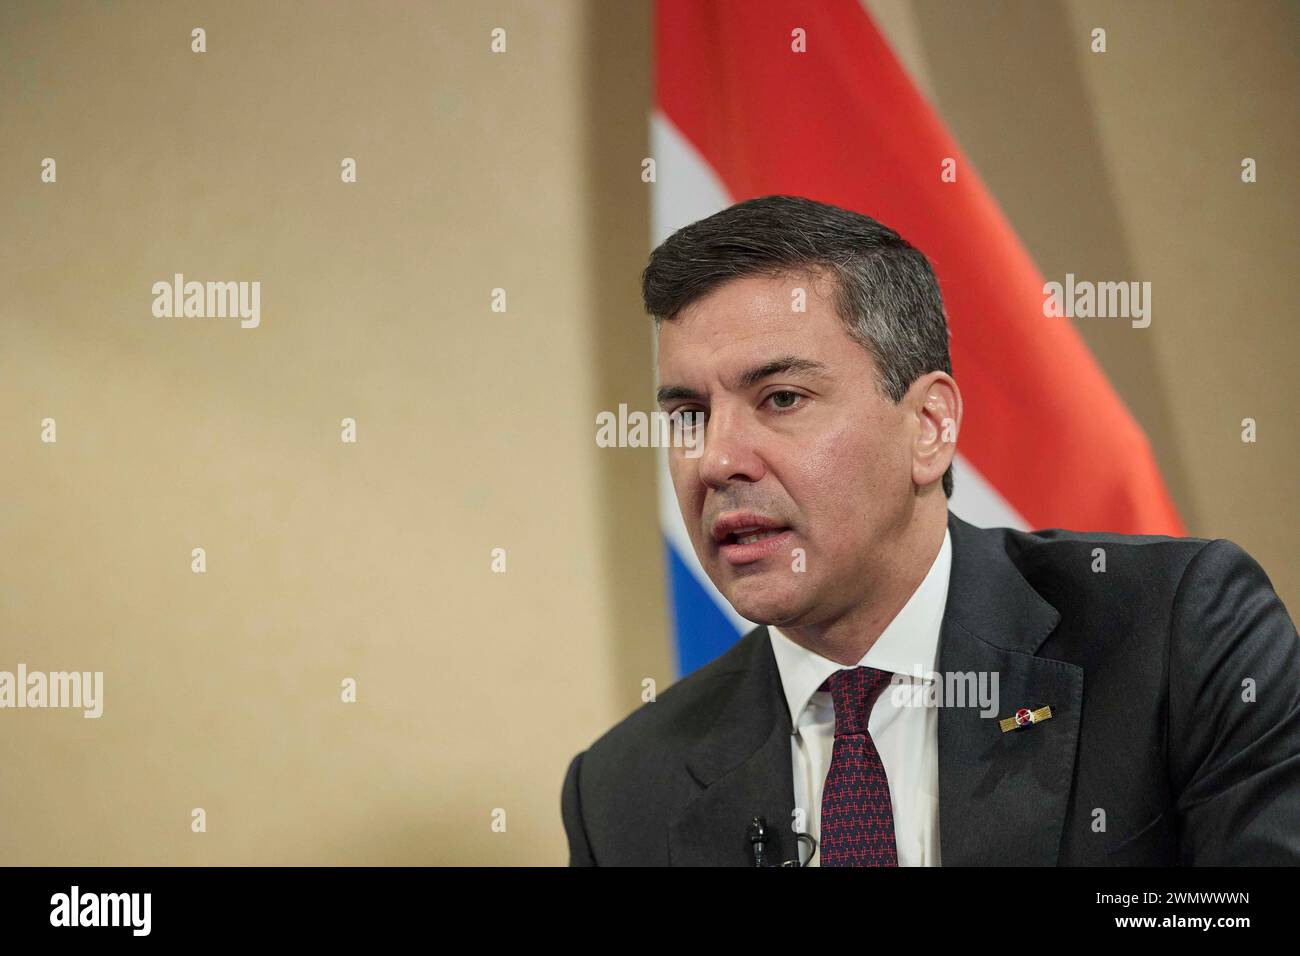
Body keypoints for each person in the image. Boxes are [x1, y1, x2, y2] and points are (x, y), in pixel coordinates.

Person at [561, 195, 1300, 866]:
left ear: (929, 426)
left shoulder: (1176, 635)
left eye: (781, 398)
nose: (716, 459)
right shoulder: (623, 792)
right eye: (688, 415)